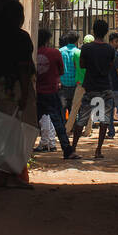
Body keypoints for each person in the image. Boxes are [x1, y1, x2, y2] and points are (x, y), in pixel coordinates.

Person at [0, 0, 37, 188]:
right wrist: (24, 94)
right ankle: (12, 176)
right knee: (16, 132)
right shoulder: (21, 38)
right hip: (15, 88)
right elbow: (23, 68)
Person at [72, 21, 116, 158]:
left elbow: (82, 64)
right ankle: (98, 150)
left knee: (82, 118)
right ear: (106, 32)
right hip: (105, 86)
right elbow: (110, 66)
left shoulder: (86, 48)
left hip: (90, 87)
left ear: (94, 30)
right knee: (105, 119)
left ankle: (73, 149)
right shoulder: (110, 49)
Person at [36, 28, 78, 160]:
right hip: (52, 92)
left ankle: (21, 149)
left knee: (30, 122)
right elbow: (61, 71)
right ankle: (67, 150)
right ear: (48, 40)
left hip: (37, 93)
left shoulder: (33, 53)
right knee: (59, 123)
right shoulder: (54, 53)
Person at [59, 33, 80, 122]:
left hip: (62, 83)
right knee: (74, 108)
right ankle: (72, 127)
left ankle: (63, 128)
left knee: (62, 108)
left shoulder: (60, 51)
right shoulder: (78, 52)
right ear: (77, 41)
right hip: (75, 83)